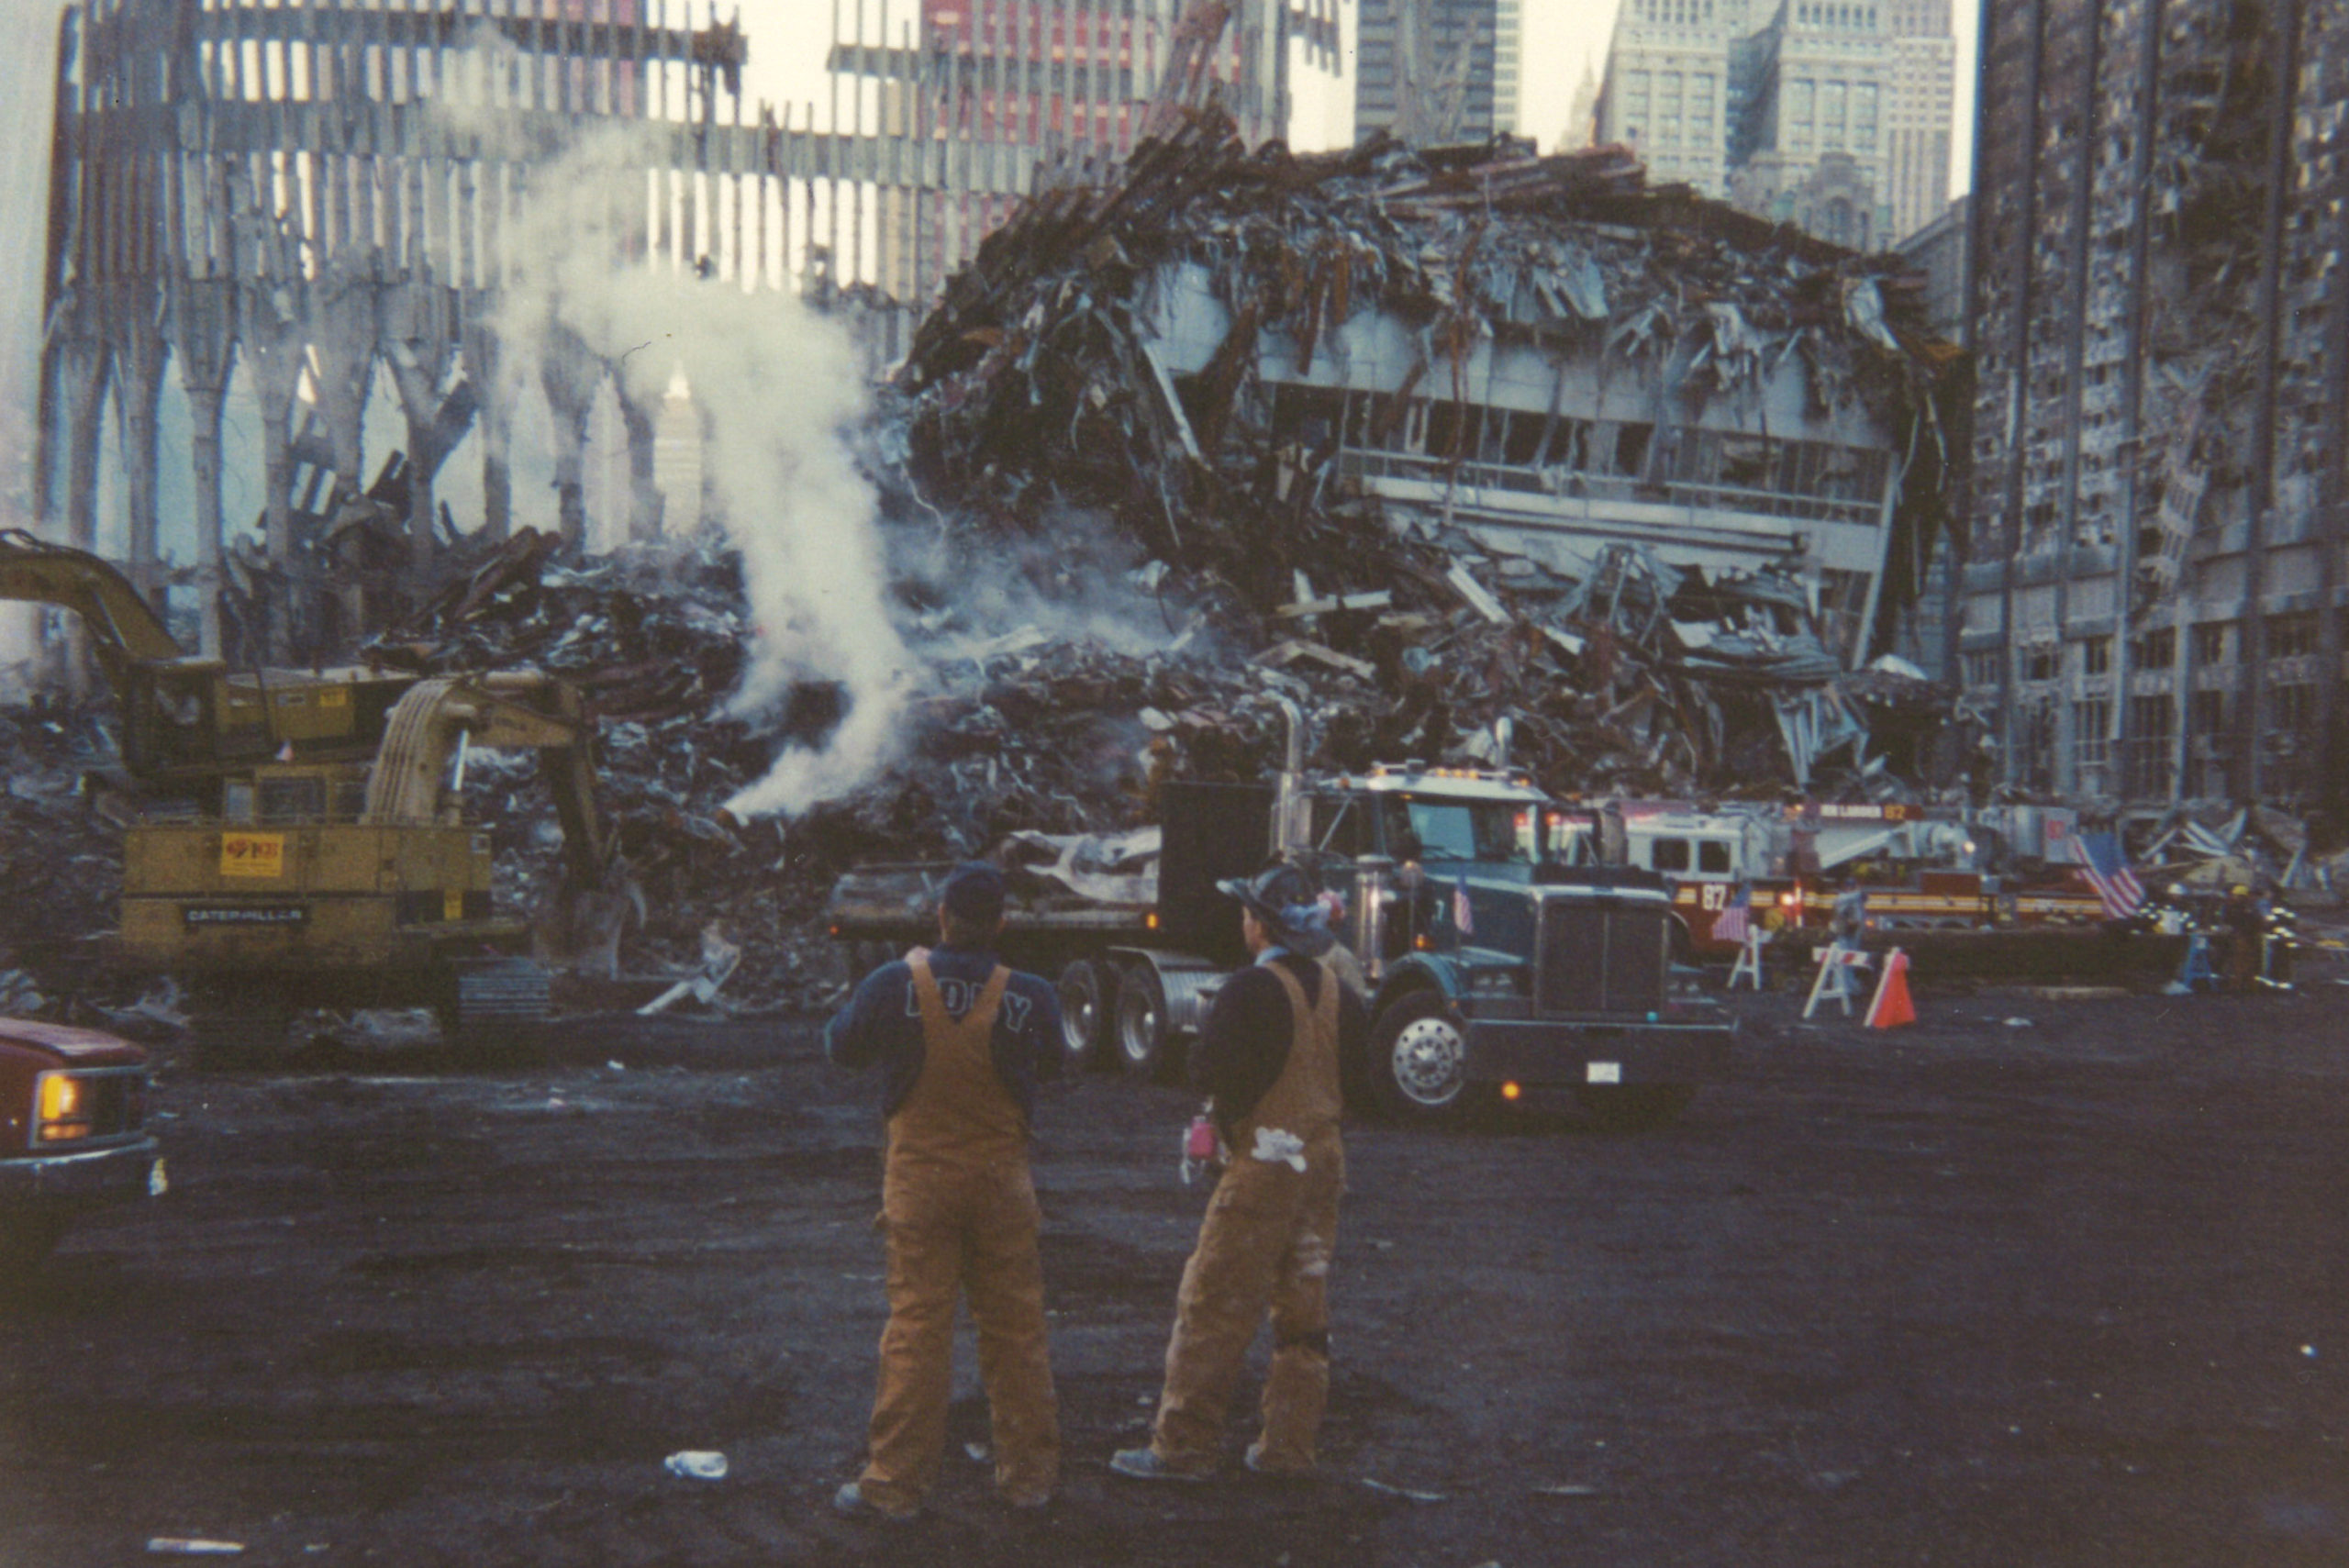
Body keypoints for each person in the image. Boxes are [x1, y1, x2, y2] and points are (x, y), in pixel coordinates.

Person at [1111, 862, 1368, 1484]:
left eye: (1247, 912)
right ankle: (1288, 1447)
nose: (1243, 921)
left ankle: (1183, 1448)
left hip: (1265, 1167)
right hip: (1322, 1165)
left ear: (1260, 924)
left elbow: (1211, 1072)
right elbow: (1357, 1080)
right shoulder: (1341, 994)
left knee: (1214, 1303)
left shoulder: (1250, 989)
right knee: (1304, 1312)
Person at [824, 862, 1065, 1519]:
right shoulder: (1033, 994)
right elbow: (1060, 1062)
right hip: (1000, 1184)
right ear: (1002, 925)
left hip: (921, 1186)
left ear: (941, 916)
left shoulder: (893, 982)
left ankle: (894, 1485)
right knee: (1016, 1329)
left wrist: (883, 990)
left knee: (917, 1329)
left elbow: (840, 1047)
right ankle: (1030, 1479)